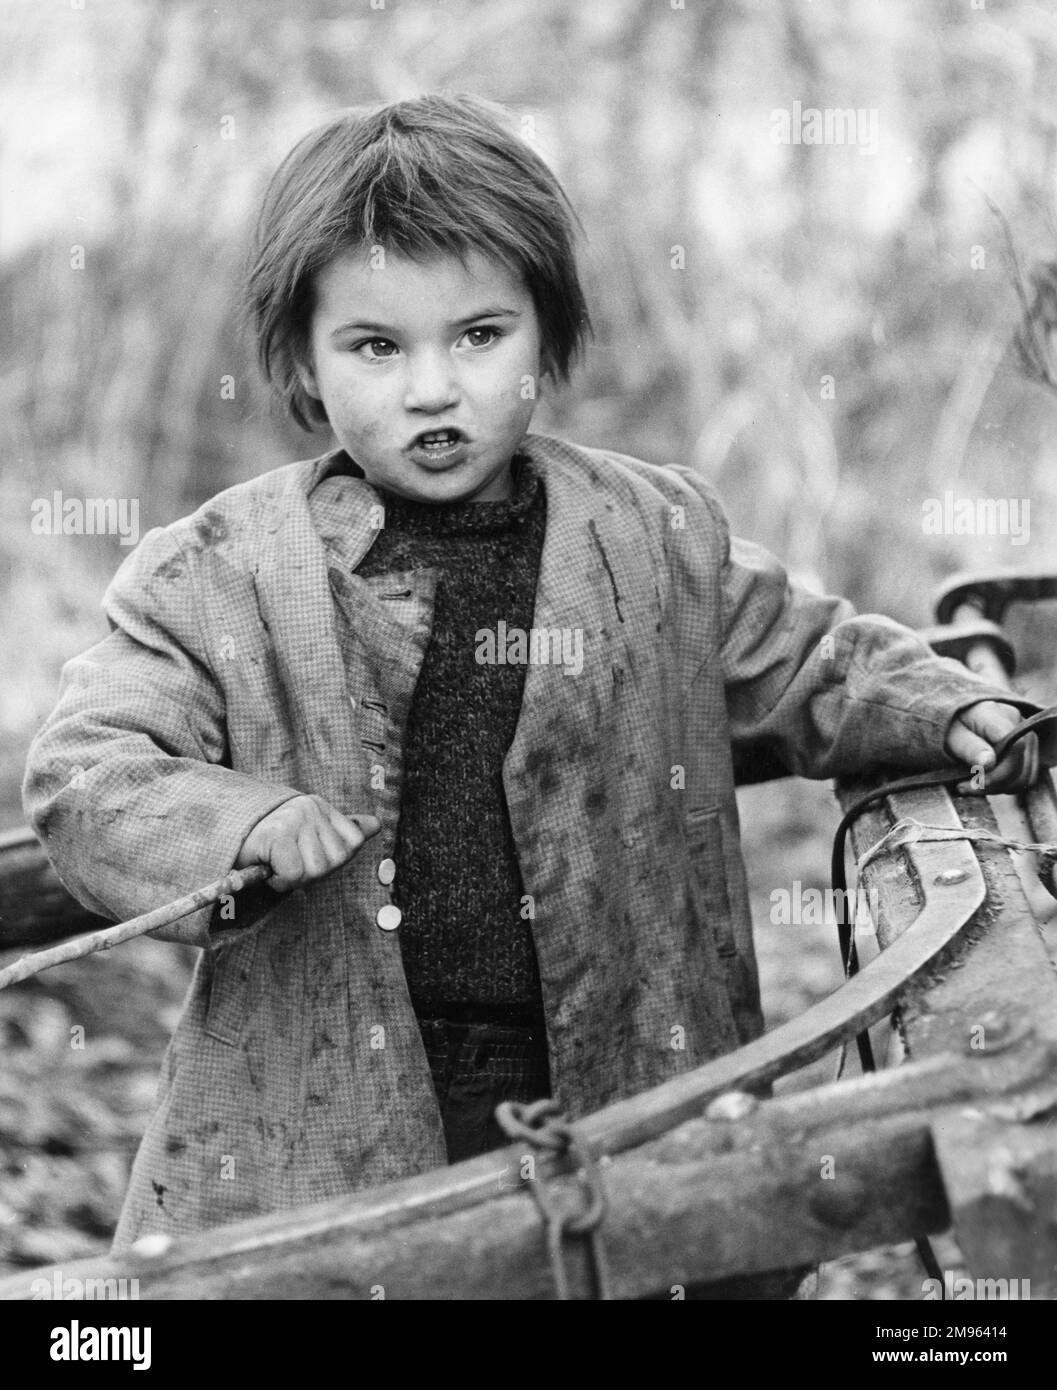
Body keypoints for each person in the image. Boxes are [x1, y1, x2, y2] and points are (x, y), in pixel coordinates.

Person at [22, 94, 1039, 1291]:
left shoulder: (653, 533)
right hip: (333, 1106)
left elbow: (806, 655)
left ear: (545, 339)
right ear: (301, 358)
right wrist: (236, 822)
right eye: (375, 347)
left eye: (478, 335)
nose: (432, 389)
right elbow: (87, 772)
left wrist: (940, 704)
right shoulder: (215, 576)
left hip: (621, 1071)